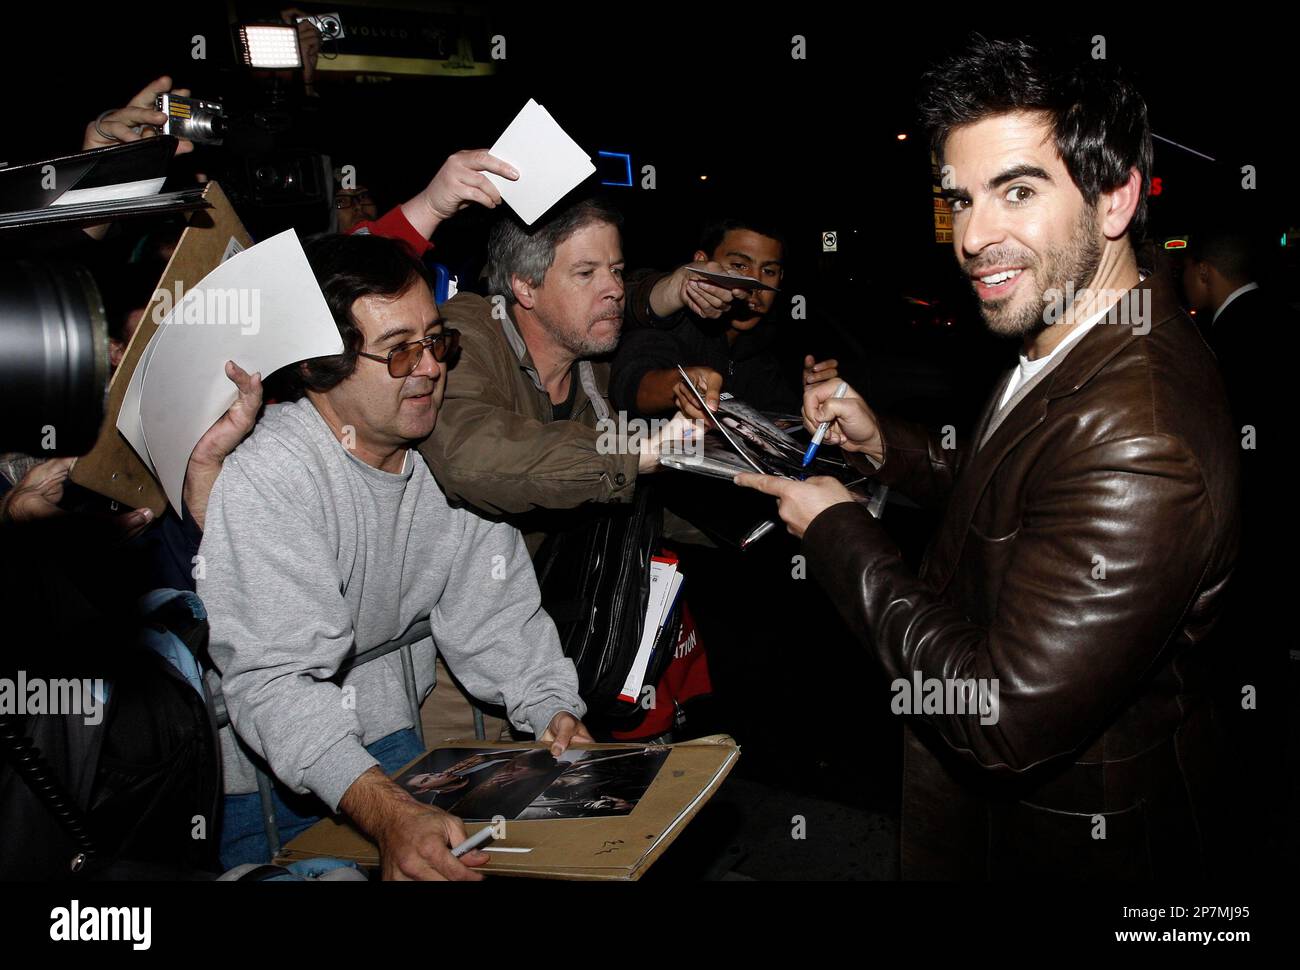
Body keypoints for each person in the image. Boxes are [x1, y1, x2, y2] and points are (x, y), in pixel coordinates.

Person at [736, 34, 1240, 878]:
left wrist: (838, 530)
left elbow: (999, 718)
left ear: (1115, 198)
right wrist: (886, 445)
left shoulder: (1142, 435)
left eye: (1018, 190)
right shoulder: (1082, 325)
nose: (973, 236)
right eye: (960, 199)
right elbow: (1022, 486)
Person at [197, 233, 592, 880]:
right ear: (322, 363)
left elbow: (494, 619)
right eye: (399, 351)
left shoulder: (448, 460)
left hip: (393, 738)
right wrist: (388, 815)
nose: (432, 366)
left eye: (436, 341)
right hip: (270, 780)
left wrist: (553, 710)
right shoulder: (273, 474)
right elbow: (274, 685)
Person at [611, 216, 839, 422]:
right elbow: (630, 385)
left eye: (768, 271)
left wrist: (810, 405)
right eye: (740, 266)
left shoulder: (765, 346)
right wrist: (681, 385)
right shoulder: (672, 321)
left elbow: (781, 420)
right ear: (701, 261)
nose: (755, 285)